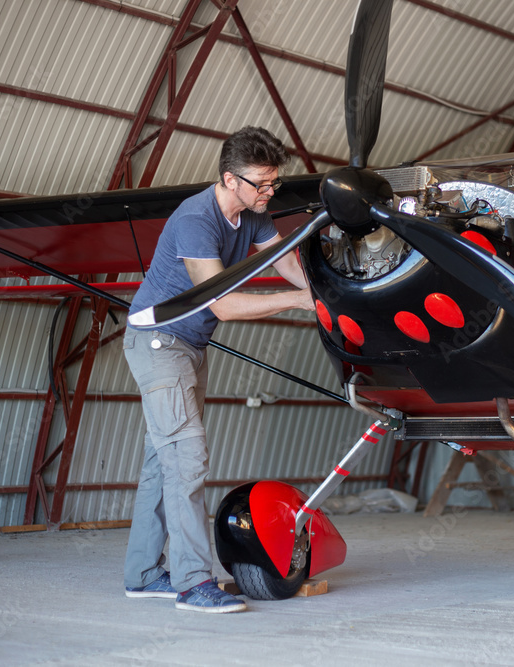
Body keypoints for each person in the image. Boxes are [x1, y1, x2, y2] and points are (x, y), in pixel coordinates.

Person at [122, 126, 313, 613]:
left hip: (189, 346)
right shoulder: (196, 220)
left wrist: (321, 291)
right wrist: (300, 301)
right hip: (158, 342)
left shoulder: (253, 214)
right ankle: (191, 583)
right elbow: (223, 305)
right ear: (230, 179)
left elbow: (285, 262)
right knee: (187, 459)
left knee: (160, 464)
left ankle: (143, 576)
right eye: (261, 184)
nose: (269, 193)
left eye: (274, 183)